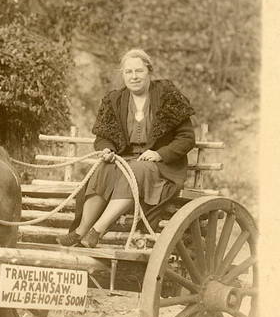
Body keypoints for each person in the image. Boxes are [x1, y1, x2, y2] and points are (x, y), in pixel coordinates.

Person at [57, 49, 196, 248]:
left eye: (139, 71)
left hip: (161, 166)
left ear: (149, 71)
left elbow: (187, 138)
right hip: (125, 160)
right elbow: (103, 137)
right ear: (123, 74)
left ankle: (97, 231)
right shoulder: (115, 100)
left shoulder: (167, 96)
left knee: (136, 169)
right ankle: (80, 231)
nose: (134, 76)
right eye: (128, 72)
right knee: (103, 169)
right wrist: (107, 150)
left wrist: (159, 154)